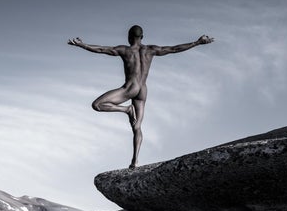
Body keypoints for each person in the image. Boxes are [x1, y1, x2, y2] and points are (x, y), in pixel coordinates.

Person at [68, 25, 214, 168]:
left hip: (130, 88)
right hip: (143, 90)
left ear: (129, 37)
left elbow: (101, 49)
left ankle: (126, 110)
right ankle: (135, 161)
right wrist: (197, 42)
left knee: (97, 105)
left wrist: (82, 45)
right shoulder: (150, 50)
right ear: (142, 37)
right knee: (137, 127)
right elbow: (174, 49)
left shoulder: (125, 50)